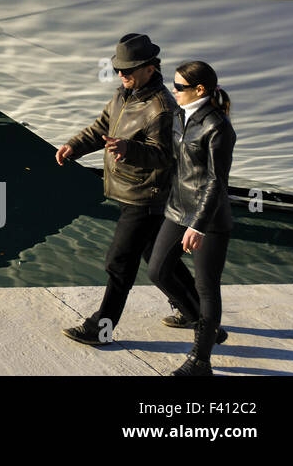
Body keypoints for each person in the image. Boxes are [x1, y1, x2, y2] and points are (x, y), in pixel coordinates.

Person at [56, 33, 202, 346]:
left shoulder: (162, 108)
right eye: (119, 69)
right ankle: (198, 315)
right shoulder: (124, 96)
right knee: (161, 262)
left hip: (146, 198)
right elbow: (100, 129)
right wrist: (73, 146)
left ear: (150, 68)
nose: (122, 75)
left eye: (128, 70)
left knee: (119, 264)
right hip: (128, 192)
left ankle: (101, 328)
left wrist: (130, 149)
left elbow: (165, 156)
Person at [146, 61, 236, 376]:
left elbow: (216, 181)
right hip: (177, 208)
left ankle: (201, 361)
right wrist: (128, 150)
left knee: (207, 286)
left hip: (208, 218)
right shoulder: (178, 117)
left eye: (179, 87)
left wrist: (197, 224)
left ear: (200, 90)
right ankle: (207, 327)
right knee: (158, 270)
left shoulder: (217, 126)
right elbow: (168, 158)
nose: (174, 91)